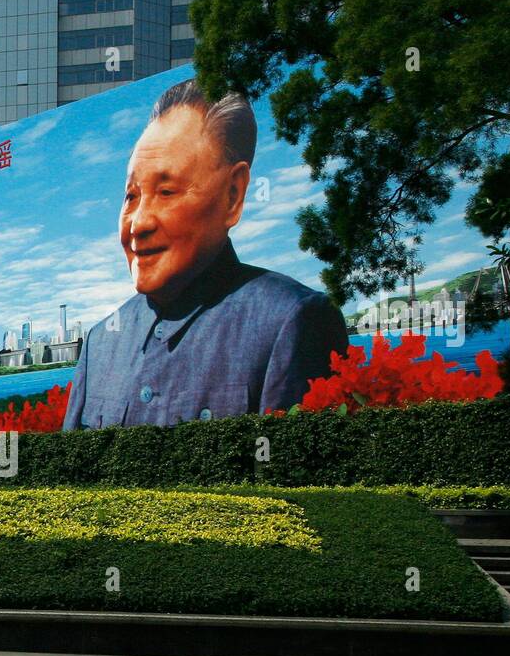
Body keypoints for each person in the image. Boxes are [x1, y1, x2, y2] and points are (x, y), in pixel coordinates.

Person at [62, 79, 349, 430]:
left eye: (166, 191)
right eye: (131, 196)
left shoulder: (291, 321)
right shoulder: (100, 343)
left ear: (233, 194)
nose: (138, 224)